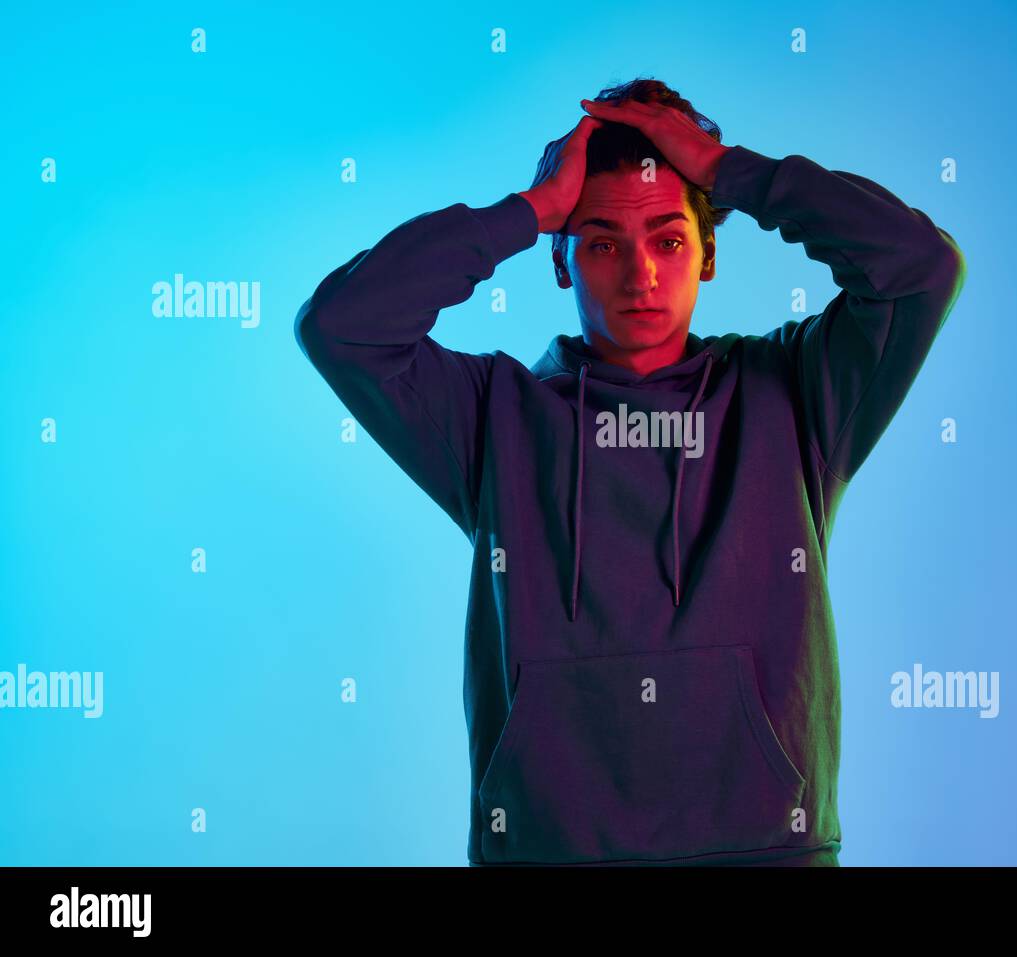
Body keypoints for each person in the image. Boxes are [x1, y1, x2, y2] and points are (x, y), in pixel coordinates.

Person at [294, 77, 966, 866]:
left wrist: (729, 170)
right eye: (602, 241)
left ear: (709, 253)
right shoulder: (490, 415)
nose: (640, 274)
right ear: (562, 263)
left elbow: (920, 269)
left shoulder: (797, 392)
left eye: (670, 239)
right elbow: (343, 327)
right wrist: (532, 210)